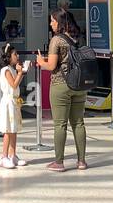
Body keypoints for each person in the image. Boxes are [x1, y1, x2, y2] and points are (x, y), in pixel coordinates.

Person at [36, 10, 88, 172]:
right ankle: (81, 161)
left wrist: (40, 62)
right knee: (78, 123)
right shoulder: (77, 38)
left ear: (59, 22)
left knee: (60, 124)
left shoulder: (56, 40)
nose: (51, 24)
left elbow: (51, 66)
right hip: (79, 85)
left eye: (52, 21)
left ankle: (59, 162)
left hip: (61, 85)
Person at [0, 43, 27, 169]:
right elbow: (13, 85)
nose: (17, 56)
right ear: (8, 57)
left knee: (14, 129)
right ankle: (4, 156)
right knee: (8, 131)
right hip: (8, 103)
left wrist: (21, 72)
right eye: (15, 54)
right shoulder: (6, 70)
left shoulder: (13, 69)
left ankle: (12, 154)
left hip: (14, 102)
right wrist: (20, 73)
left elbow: (16, 84)